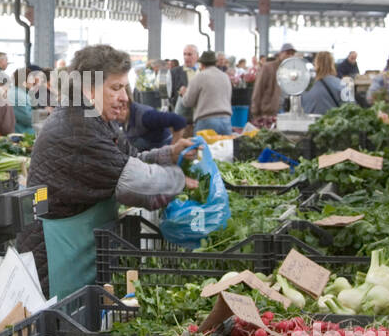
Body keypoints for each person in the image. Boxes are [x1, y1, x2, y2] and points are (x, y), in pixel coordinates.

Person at [15, 45, 195, 298]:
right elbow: (137, 184)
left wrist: (171, 154)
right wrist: (181, 180)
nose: (124, 97)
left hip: (76, 247)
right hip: (56, 258)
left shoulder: (94, 121)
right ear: (88, 90)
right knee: (64, 326)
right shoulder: (78, 129)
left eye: (125, 88)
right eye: (115, 88)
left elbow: (129, 159)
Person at [182, 50, 234, 134]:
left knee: (204, 147)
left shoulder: (199, 77)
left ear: (202, 64)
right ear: (215, 63)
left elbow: (188, 102)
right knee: (224, 147)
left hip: (206, 121)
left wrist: (184, 93)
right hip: (226, 120)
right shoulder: (225, 77)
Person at [121, 88, 186, 151]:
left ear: (124, 107)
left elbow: (179, 121)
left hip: (162, 146)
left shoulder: (146, 116)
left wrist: (173, 149)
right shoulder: (122, 120)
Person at [250, 43, 296, 123]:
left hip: (286, 112)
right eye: (287, 53)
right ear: (280, 54)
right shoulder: (268, 67)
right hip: (269, 113)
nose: (290, 56)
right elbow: (258, 90)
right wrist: (255, 112)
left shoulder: (293, 71)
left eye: (292, 54)